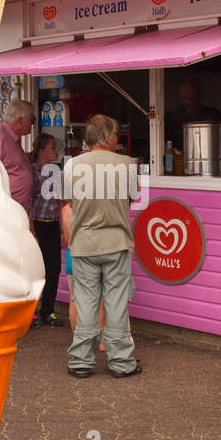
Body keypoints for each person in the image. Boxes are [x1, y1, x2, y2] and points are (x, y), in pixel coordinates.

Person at [61, 114, 140, 378]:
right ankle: (121, 363)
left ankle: (81, 361)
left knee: (85, 302)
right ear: (106, 137)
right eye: (116, 133)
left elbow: (71, 204)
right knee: (117, 302)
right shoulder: (127, 164)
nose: (118, 138)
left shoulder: (72, 166)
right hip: (116, 243)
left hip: (84, 243)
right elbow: (130, 199)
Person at [30, 134, 64, 327]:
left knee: (54, 269)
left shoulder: (55, 171)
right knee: (35, 270)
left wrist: (61, 228)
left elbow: (59, 200)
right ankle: (31, 312)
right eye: (52, 147)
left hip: (51, 223)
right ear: (42, 150)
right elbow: (28, 200)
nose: (56, 151)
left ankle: (48, 311)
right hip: (36, 223)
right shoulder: (32, 171)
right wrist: (31, 229)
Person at [0, 99, 36, 217]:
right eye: (31, 120)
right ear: (20, 120)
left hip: (18, 212)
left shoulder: (12, 139)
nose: (32, 125)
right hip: (5, 214)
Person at [165, 79, 221, 152]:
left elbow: (220, 144)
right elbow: (165, 146)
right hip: (178, 162)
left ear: (199, 95)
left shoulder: (212, 115)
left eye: (193, 97)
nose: (190, 102)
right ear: (179, 97)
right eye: (185, 98)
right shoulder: (171, 117)